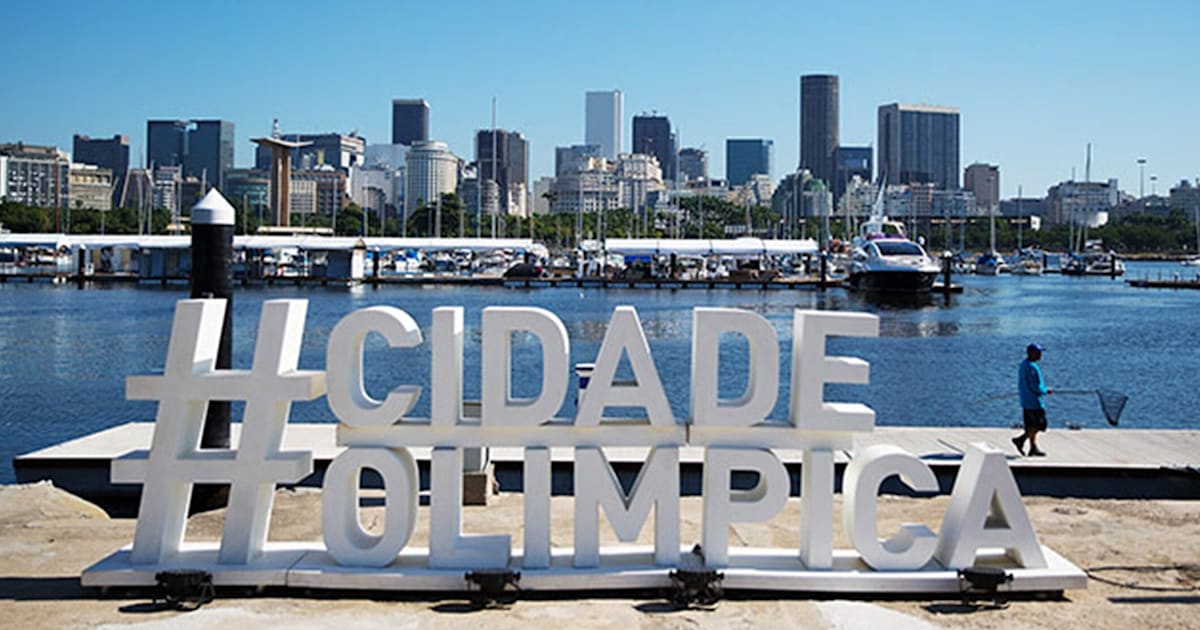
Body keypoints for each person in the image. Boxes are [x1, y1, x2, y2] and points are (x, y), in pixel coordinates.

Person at [1013, 343, 1053, 456]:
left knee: (1031, 425)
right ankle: (1020, 440)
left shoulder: (1024, 365)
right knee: (1040, 425)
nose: (1040, 355)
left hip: (1025, 400)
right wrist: (1046, 391)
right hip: (1034, 402)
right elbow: (1035, 387)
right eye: (1038, 352)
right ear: (1031, 353)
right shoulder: (1031, 367)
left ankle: (1033, 448)